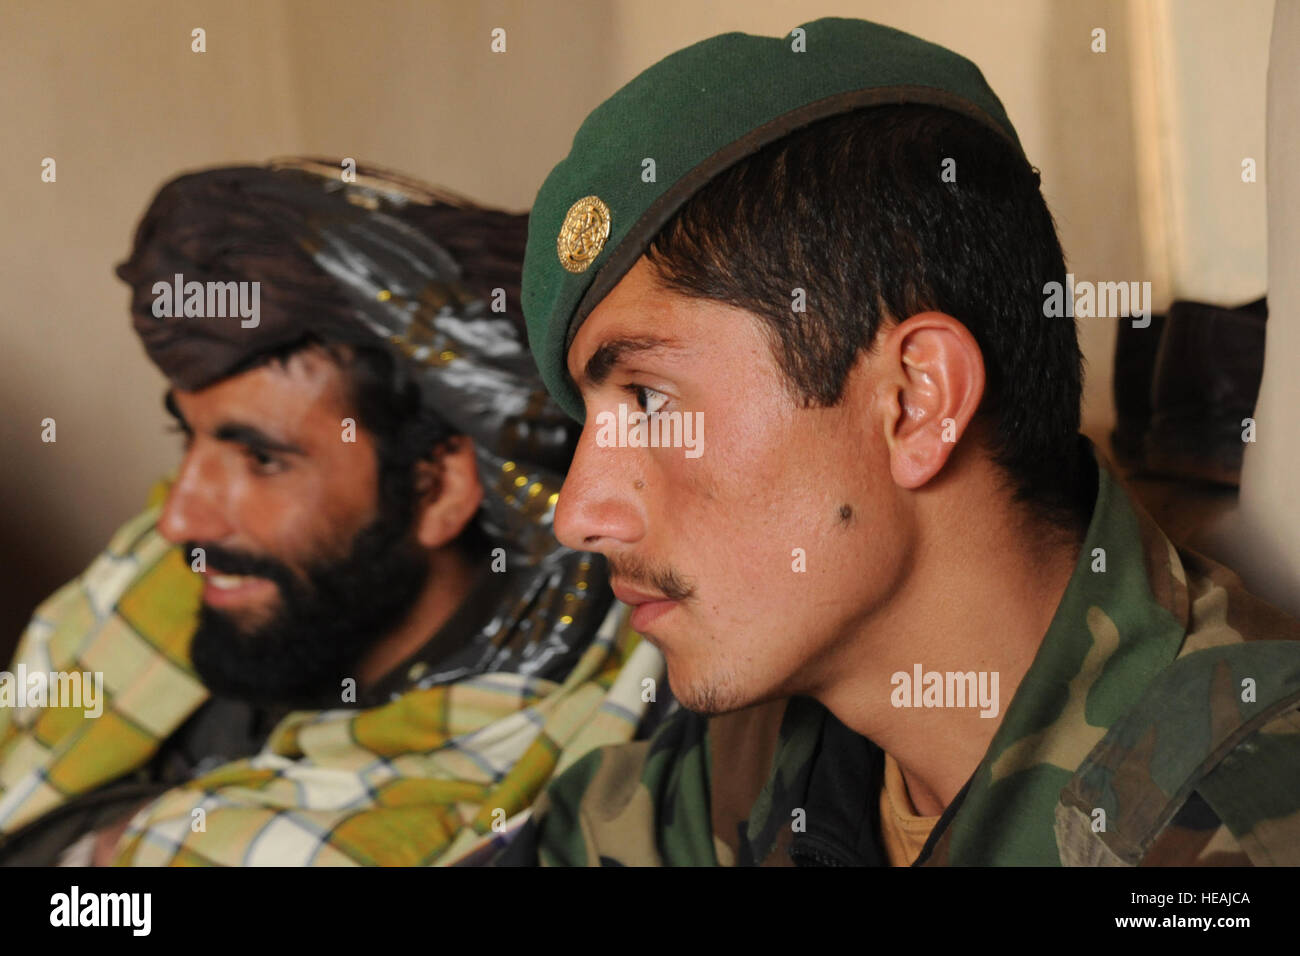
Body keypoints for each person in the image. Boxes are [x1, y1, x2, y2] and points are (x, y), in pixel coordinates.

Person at [496, 18, 1300, 866]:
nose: (578, 514)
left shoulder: (1235, 823)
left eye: (651, 400)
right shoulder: (762, 756)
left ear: (918, 401)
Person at [0, 159, 663, 866]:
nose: (177, 521)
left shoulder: (472, 796)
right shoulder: (166, 587)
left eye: (261, 460)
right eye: (185, 436)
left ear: (438, 487)